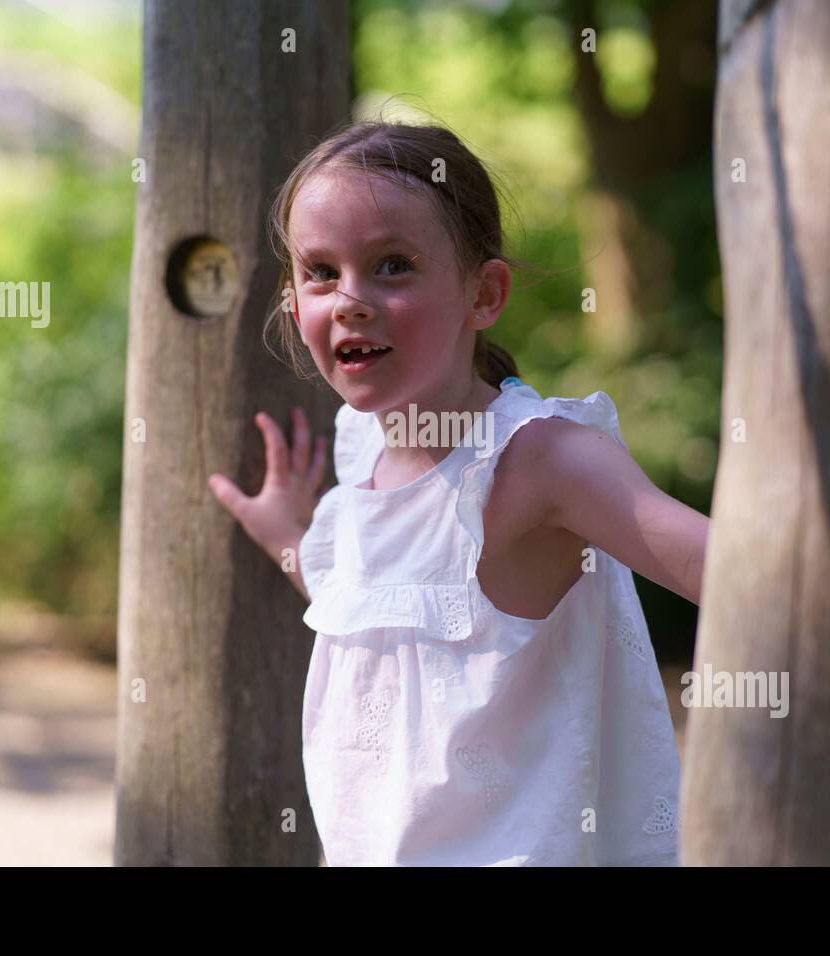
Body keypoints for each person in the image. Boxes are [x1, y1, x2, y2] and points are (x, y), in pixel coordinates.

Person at [208, 119, 709, 866]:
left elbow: (745, 584)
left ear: (485, 292)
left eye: (393, 266)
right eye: (320, 272)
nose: (350, 299)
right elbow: (393, 617)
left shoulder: (540, 459)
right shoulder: (365, 449)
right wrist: (290, 536)